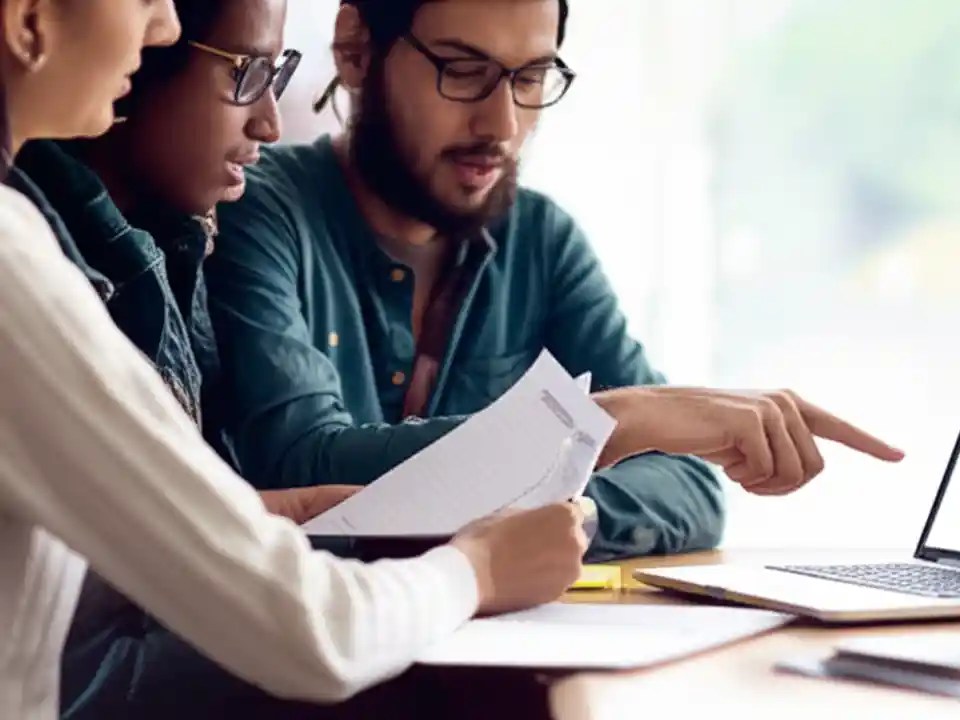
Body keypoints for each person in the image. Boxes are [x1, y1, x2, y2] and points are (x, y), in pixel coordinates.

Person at [0, 1, 598, 718]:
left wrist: (248, 518)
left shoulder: (46, 245)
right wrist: (481, 567)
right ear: (29, 19)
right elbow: (311, 632)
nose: (161, 23)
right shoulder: (16, 263)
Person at [206, 0, 906, 561]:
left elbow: (688, 485)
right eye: (462, 69)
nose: (502, 124)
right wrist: (606, 427)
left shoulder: (541, 239)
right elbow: (296, 466)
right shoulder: (257, 210)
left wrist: (559, 520)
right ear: (356, 50)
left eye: (532, 77)